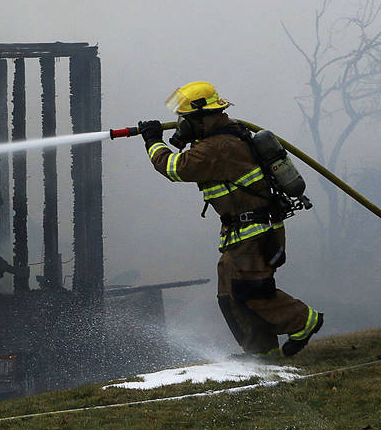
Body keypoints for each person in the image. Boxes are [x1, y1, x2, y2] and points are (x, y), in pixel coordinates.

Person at [138, 81, 323, 358]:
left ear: (203, 117)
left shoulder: (219, 146)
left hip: (255, 231)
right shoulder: (219, 140)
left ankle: (303, 321)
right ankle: (261, 352)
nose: (182, 125)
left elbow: (175, 168)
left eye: (186, 119)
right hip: (242, 232)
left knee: (251, 289)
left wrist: (153, 141)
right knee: (230, 295)